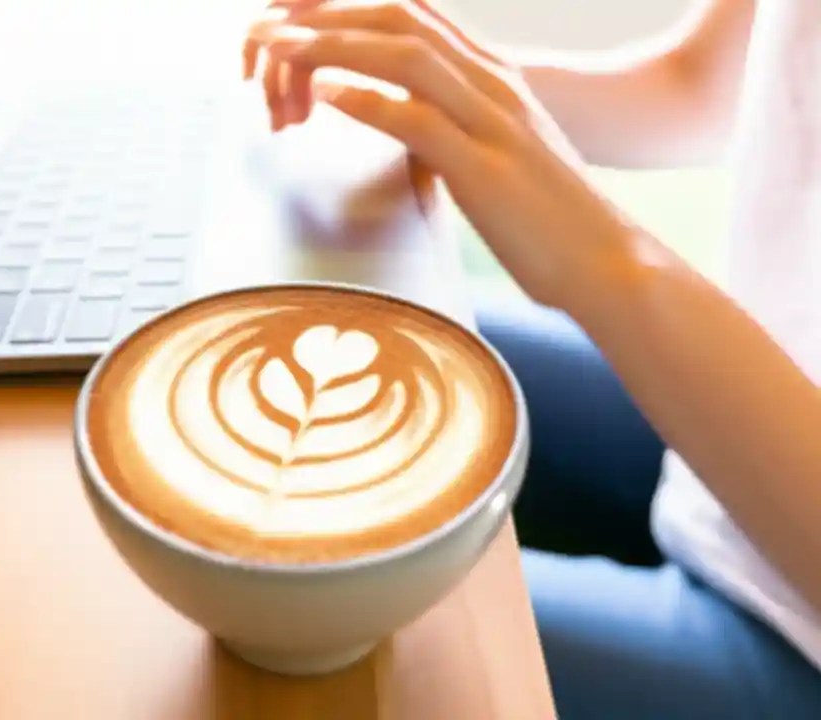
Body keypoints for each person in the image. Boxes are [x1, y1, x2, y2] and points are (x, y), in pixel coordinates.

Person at [244, 0, 821, 717]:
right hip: (745, 411)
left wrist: (605, 264)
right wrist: (448, 84)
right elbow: (696, 87)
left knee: (285, 635)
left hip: (797, 636)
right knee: (315, 323)